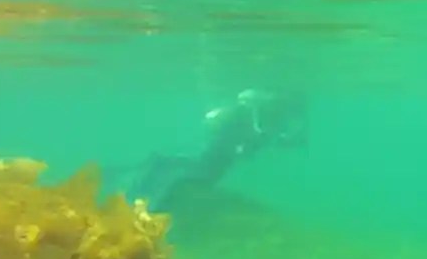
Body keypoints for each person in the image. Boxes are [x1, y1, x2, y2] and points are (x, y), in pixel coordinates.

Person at [127, 88, 309, 212]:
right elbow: (258, 130)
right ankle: (164, 168)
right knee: (203, 173)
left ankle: (163, 163)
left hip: (228, 147)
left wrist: (287, 140)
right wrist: (277, 139)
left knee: (202, 170)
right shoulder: (271, 108)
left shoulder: (274, 111)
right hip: (225, 146)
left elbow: (266, 136)